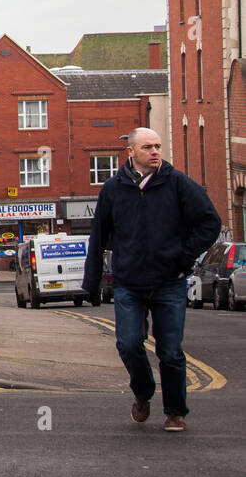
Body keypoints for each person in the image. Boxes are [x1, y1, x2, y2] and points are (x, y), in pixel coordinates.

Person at [82, 127, 220, 432]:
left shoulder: (178, 183)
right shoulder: (113, 189)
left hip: (169, 282)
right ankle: (143, 393)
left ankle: (174, 412)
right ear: (131, 152)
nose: (155, 152)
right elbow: (99, 236)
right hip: (129, 282)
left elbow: (210, 221)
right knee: (129, 344)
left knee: (170, 351)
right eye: (148, 147)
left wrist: (184, 258)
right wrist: (91, 282)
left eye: (158, 146)